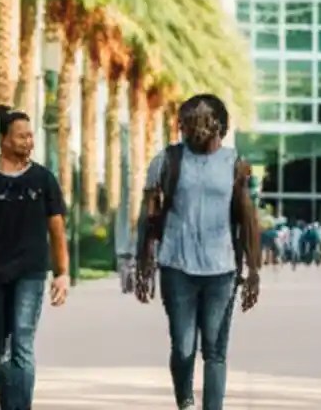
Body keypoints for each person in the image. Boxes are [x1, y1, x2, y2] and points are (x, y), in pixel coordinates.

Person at [134, 93, 261, 410]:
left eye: (202, 122)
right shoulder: (166, 161)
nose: (194, 130)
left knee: (215, 351)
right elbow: (148, 214)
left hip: (222, 269)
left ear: (219, 125)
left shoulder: (235, 164)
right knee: (183, 347)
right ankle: (185, 399)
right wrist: (143, 261)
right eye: (187, 124)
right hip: (177, 266)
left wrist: (254, 270)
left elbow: (247, 219)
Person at [0, 105, 70, 410]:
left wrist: (62, 272)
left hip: (31, 272)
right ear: (3, 139)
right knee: (1, 349)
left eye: (30, 135)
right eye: (21, 136)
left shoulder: (43, 178)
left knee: (22, 343)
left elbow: (57, 228)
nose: (28, 141)